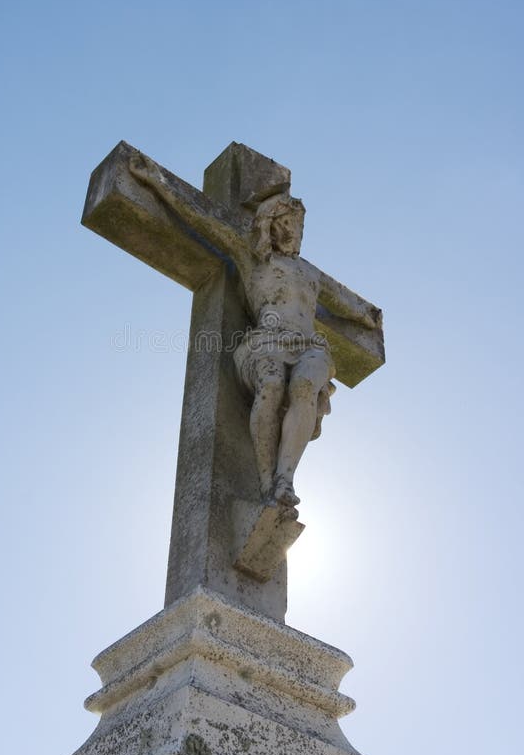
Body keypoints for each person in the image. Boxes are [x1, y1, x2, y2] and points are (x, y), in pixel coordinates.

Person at [129, 151, 380, 508]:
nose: (295, 230)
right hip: (266, 342)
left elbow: (347, 304)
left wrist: (367, 316)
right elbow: (202, 219)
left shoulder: (310, 273)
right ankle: (268, 485)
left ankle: (284, 480)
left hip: (309, 344)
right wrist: (158, 181)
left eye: (299, 223)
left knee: (306, 385)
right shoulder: (253, 258)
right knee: (273, 385)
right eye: (288, 221)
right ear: (270, 224)